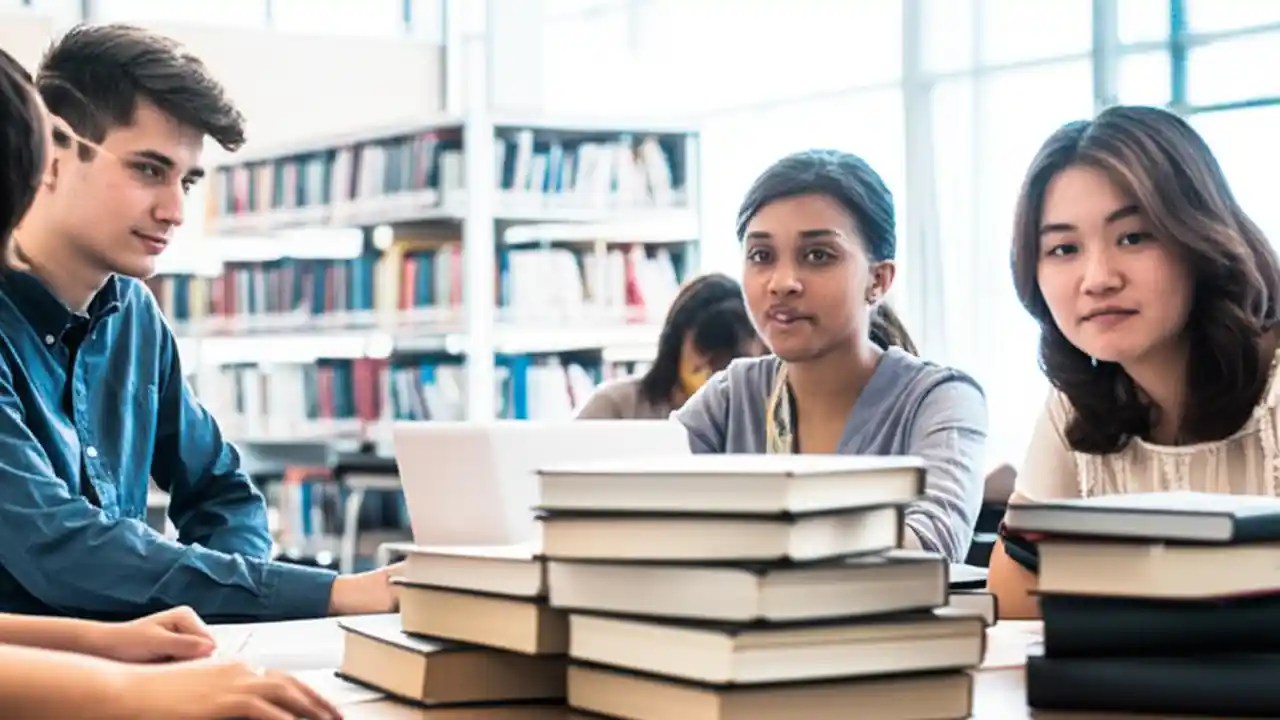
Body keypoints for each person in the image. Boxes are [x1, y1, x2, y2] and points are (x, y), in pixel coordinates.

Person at [0, 23, 398, 620]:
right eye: (148, 170)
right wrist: (331, 593)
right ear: (53, 154)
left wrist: (229, 616)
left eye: (186, 180)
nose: (175, 211)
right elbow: (58, 548)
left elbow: (222, 494)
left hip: (145, 663)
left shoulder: (137, 318)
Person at [987, 105, 1280, 618]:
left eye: (1134, 237)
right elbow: (1013, 600)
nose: (1098, 278)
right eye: (1063, 249)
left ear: (1200, 237)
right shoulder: (1076, 405)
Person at [673, 149, 988, 562]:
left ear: (878, 280)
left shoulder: (940, 398)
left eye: (818, 255)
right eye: (761, 256)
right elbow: (636, 502)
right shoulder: (733, 395)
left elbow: (932, 543)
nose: (782, 283)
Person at [576, 272, 763, 419]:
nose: (707, 369)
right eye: (703, 350)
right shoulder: (616, 405)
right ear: (676, 342)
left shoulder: (755, 418)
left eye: (724, 359)